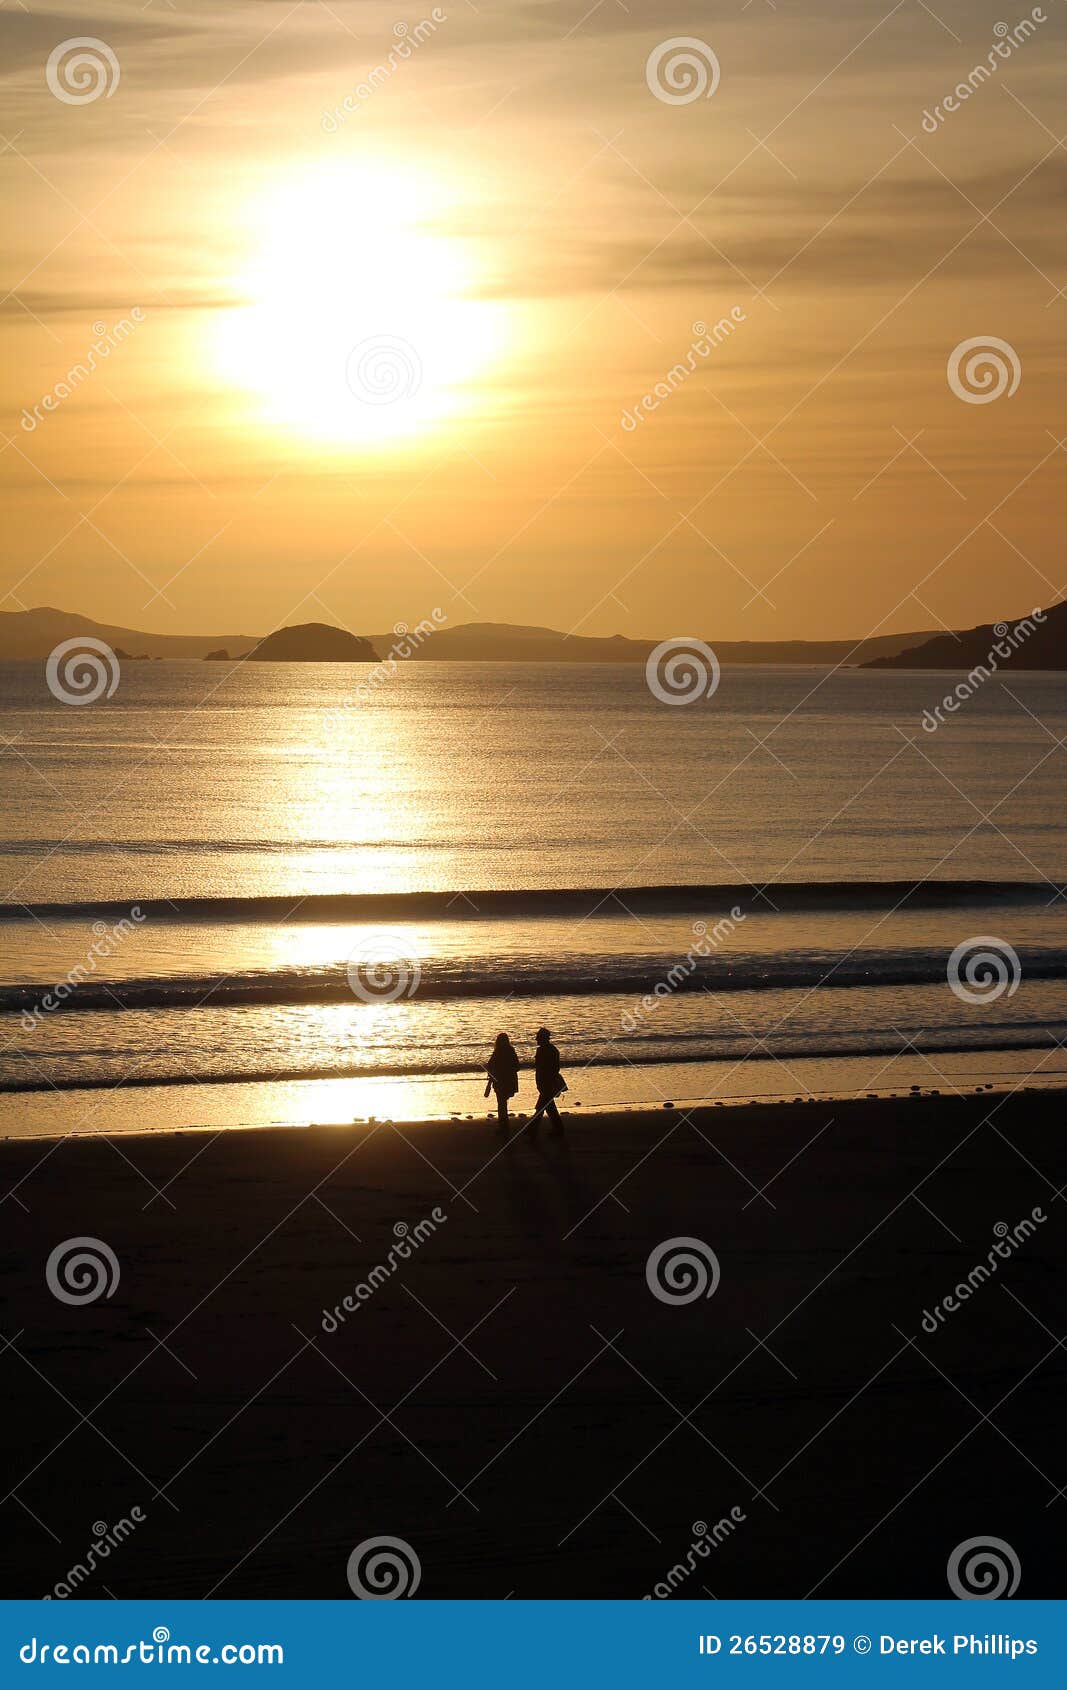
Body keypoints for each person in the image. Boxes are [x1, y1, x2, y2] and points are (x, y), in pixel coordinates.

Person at [530, 1026, 567, 1128]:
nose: (536, 1039)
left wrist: (542, 1082)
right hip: (547, 1082)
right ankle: (558, 1129)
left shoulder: (543, 1051)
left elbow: (542, 1068)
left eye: (538, 1037)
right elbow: (556, 1068)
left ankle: (532, 1130)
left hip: (546, 1083)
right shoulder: (552, 1050)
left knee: (542, 1108)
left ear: (543, 1038)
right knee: (548, 1107)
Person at [485, 1032, 520, 1127]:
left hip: (500, 1081)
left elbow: (490, 1065)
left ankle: (503, 1123)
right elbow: (517, 1066)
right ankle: (504, 1122)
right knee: (503, 1102)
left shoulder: (498, 1052)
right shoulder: (511, 1050)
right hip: (509, 1081)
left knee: (501, 1102)